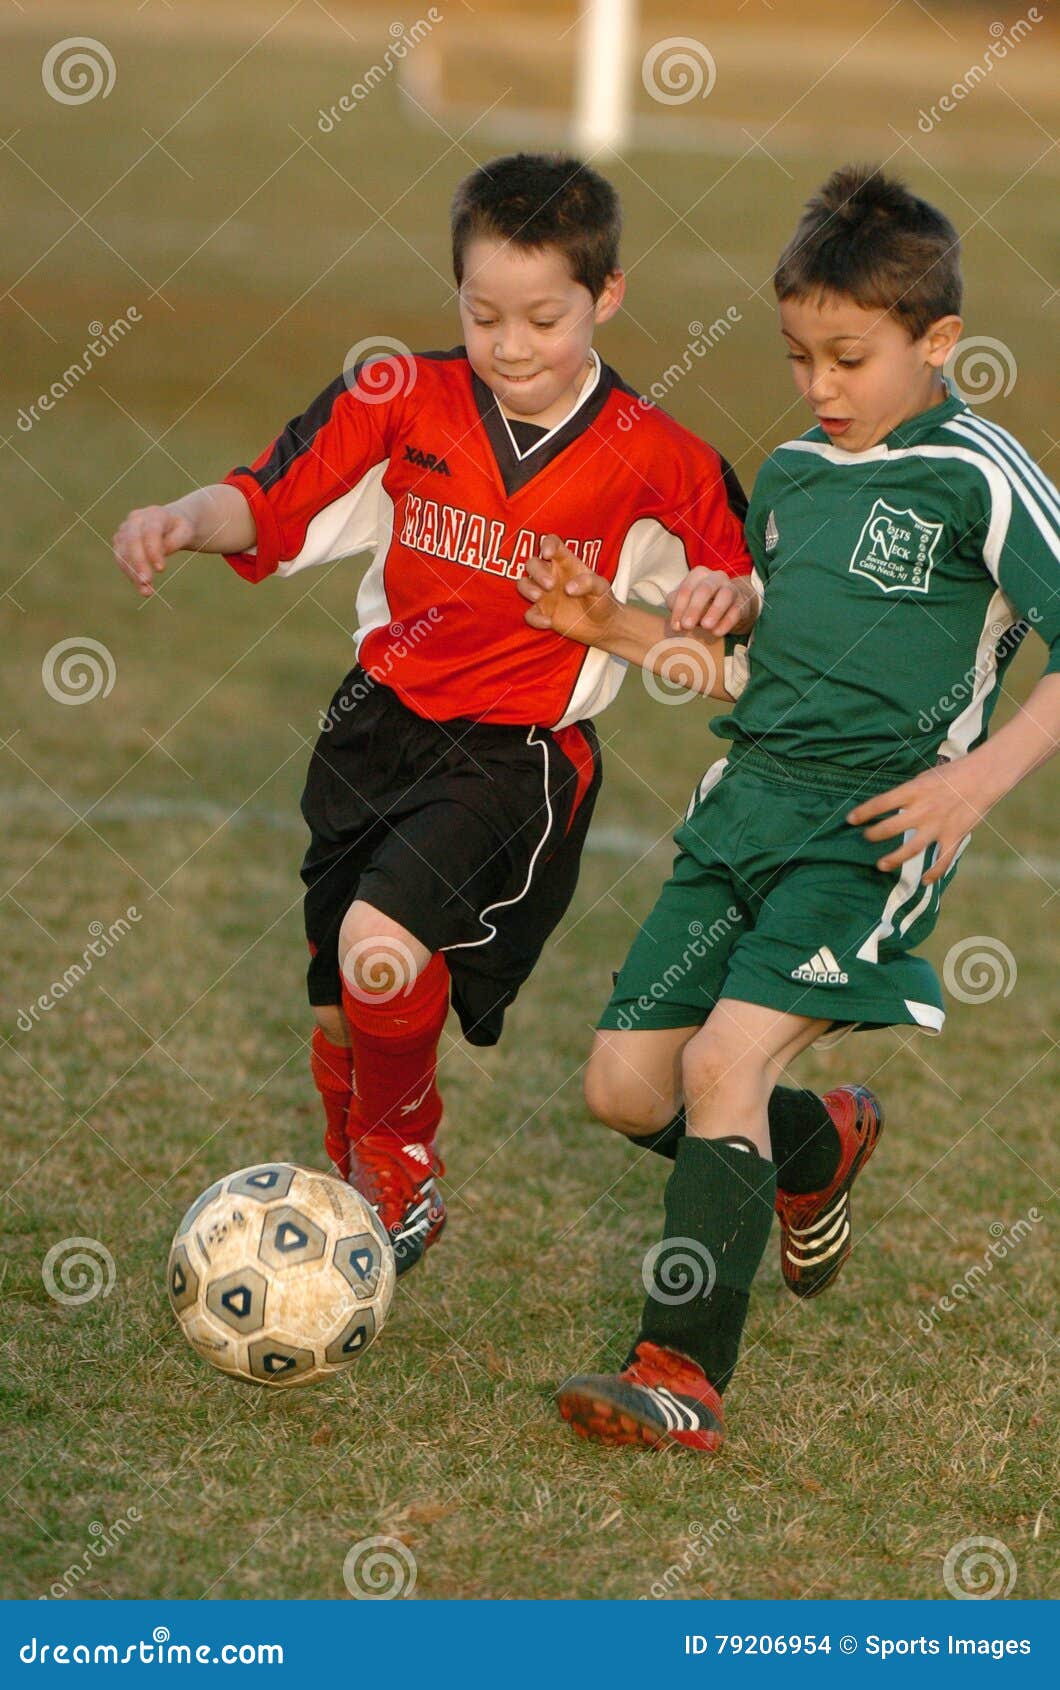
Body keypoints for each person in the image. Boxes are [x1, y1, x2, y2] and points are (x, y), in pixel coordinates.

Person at [111, 152, 755, 1275]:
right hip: (372, 730)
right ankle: (363, 1172)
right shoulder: (397, 396)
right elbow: (266, 498)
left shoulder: (656, 456)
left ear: (605, 297)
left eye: (543, 318)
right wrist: (181, 515)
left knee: (379, 950)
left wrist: (726, 596)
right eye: (483, 312)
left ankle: (401, 1159)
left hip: (512, 759)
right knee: (337, 1007)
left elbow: (749, 598)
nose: (510, 345)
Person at [518, 163, 1060, 1452]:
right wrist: (634, 626)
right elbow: (766, 668)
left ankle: (680, 1374)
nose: (819, 385)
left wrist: (972, 784)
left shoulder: (976, 471)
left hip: (868, 833)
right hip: (741, 812)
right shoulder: (794, 476)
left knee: (721, 1063)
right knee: (623, 1086)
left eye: (848, 357)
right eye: (799, 356)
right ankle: (813, 1149)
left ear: (937, 344)